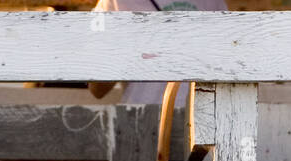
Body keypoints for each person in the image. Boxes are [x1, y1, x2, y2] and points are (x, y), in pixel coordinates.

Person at [87, 0, 228, 107]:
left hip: (201, 121)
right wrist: (132, 47)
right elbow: (97, 89)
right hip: (141, 120)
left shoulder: (213, 2)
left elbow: (226, 67)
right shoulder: (113, 2)